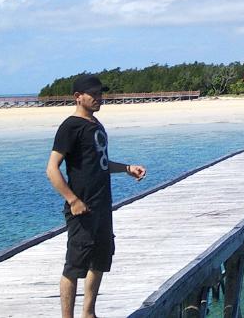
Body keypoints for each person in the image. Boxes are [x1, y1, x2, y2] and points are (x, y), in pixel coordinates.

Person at [46, 74, 146, 318]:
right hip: (81, 206)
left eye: (100, 93)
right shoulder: (70, 126)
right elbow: (52, 169)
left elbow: (100, 163)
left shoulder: (96, 125)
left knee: (101, 258)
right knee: (75, 264)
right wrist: (73, 200)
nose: (99, 98)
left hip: (102, 205)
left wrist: (126, 168)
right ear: (78, 97)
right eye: (93, 94)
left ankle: (89, 313)